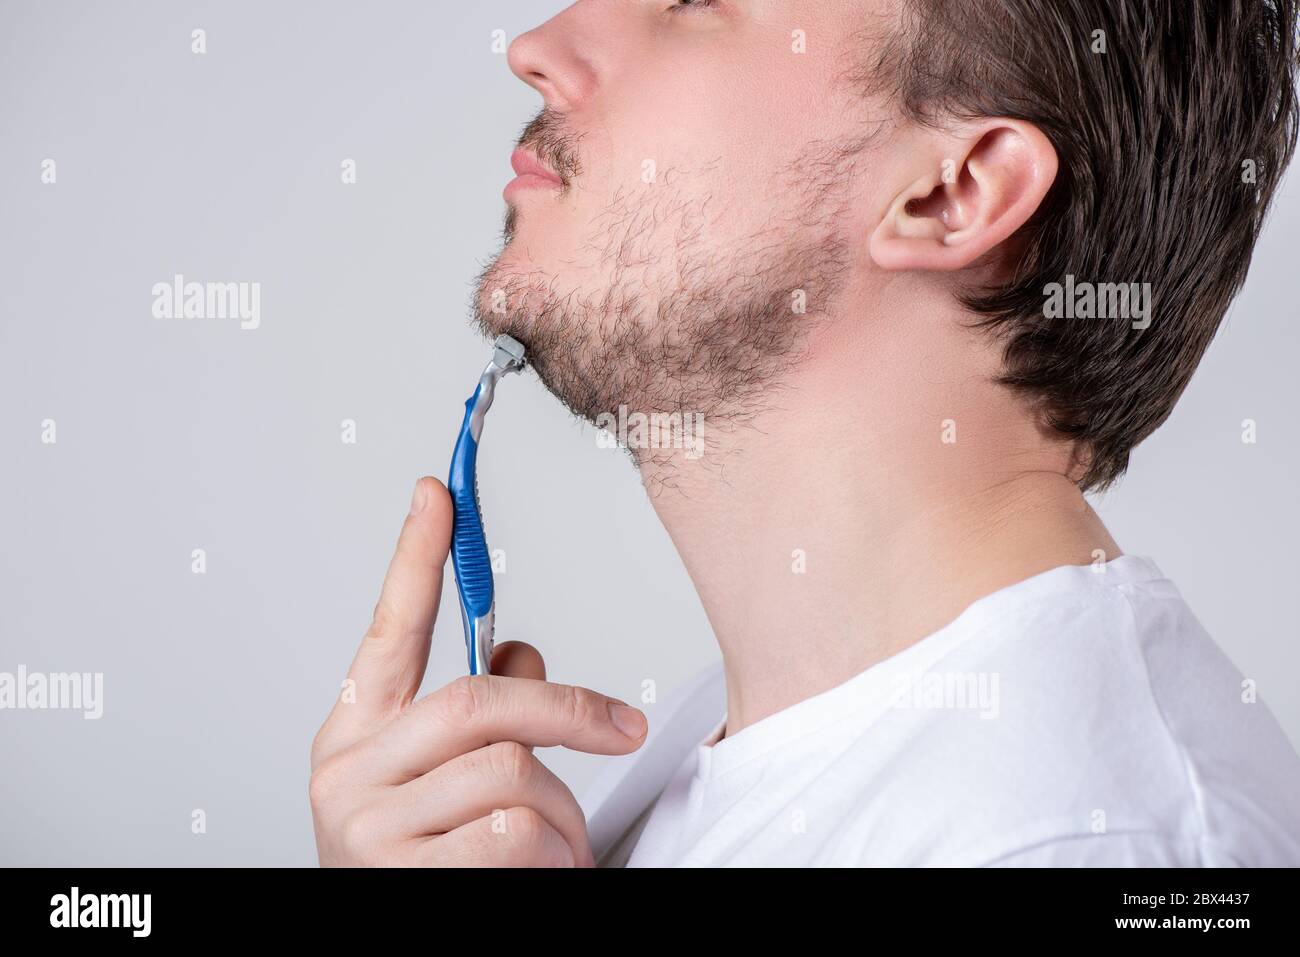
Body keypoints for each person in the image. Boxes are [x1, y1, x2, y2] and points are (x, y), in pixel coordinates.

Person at [309, 0, 1300, 867]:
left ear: (950, 192)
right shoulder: (744, 752)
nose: (535, 45)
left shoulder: (1077, 837)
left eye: (694, 0)